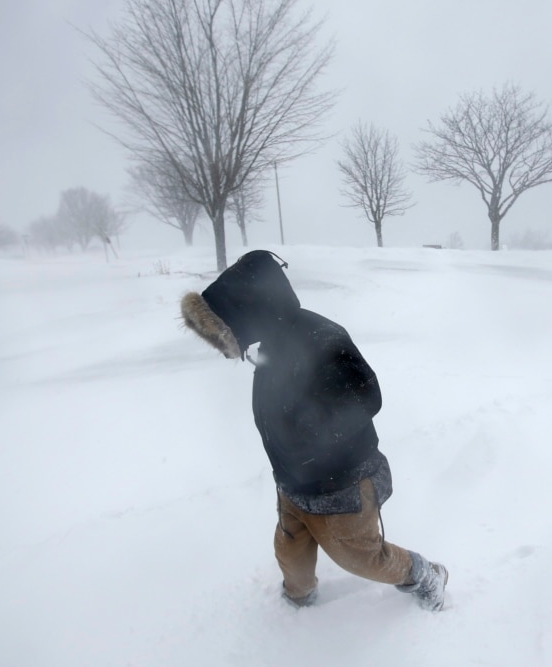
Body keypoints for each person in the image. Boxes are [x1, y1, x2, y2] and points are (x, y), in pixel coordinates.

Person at [179, 250, 448, 611]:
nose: (229, 343)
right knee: (289, 549)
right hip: (293, 482)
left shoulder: (321, 337)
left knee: (362, 557)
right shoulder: (272, 346)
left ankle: (424, 573)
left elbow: (366, 394)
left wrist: (314, 430)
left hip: (340, 485)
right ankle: (299, 597)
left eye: (228, 327)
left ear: (252, 311)